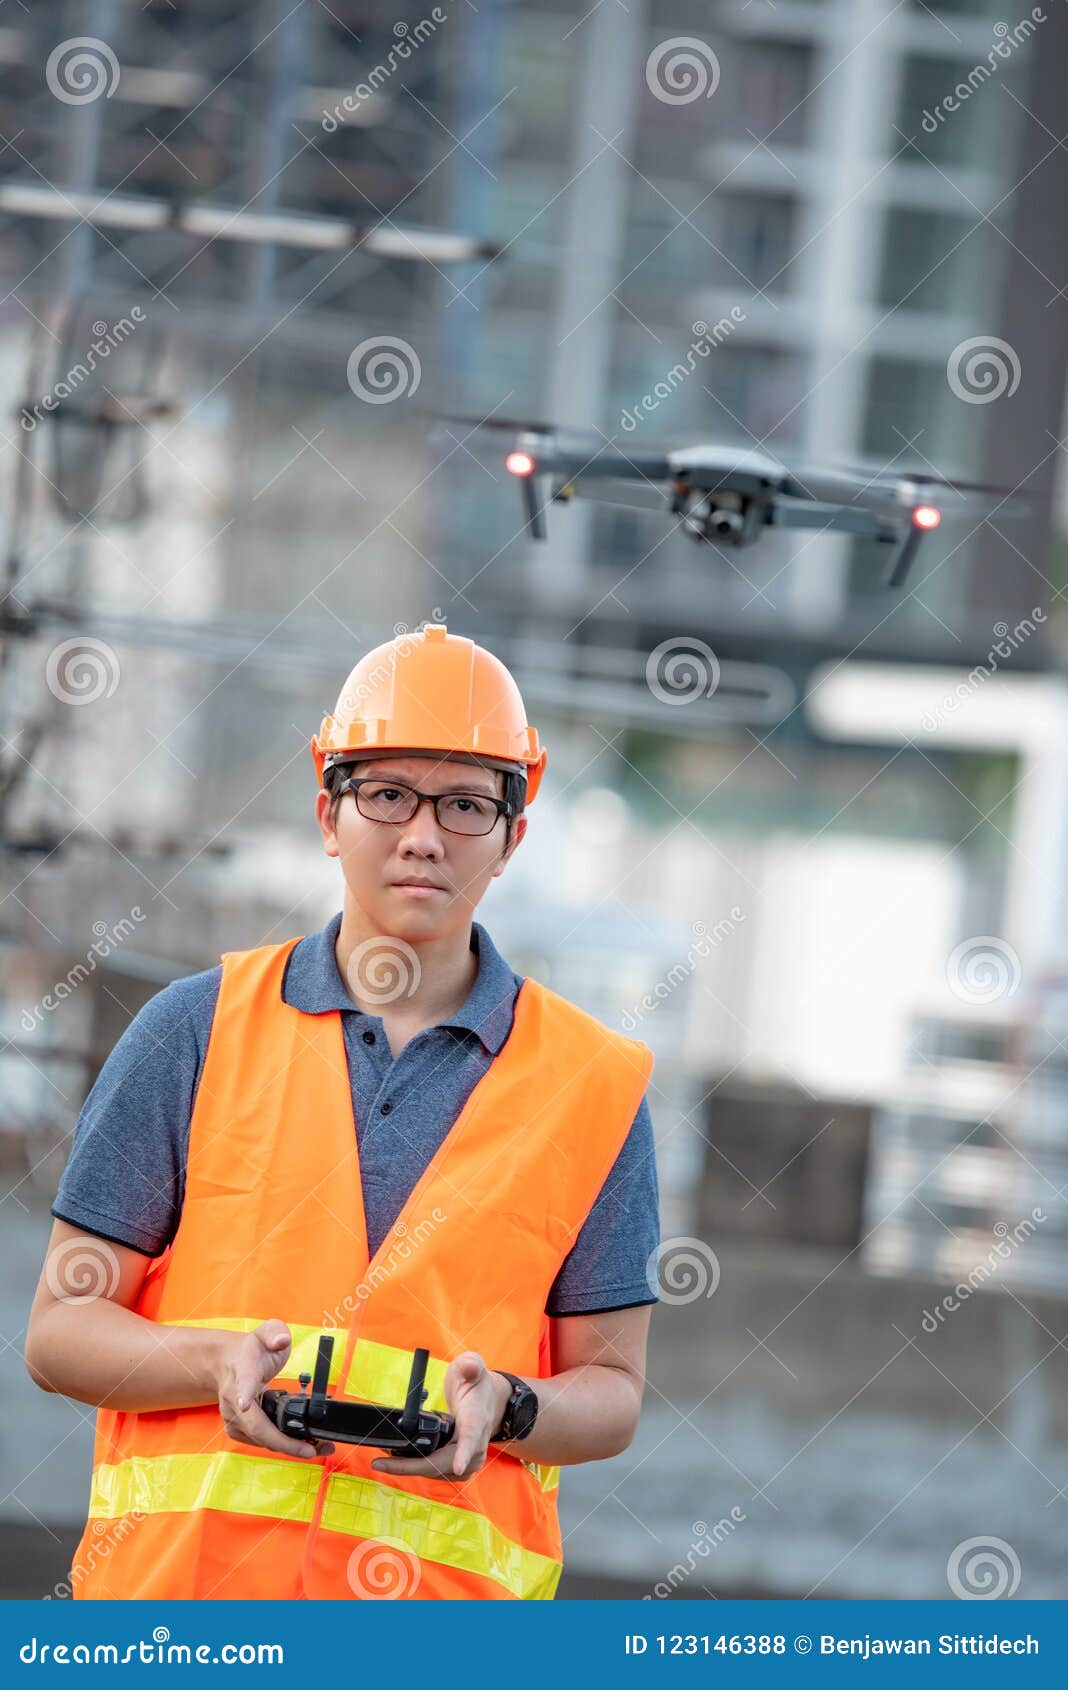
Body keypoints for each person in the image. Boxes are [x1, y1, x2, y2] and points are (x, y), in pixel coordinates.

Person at [25, 622, 659, 1600]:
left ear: (512, 837)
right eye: (387, 793)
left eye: (463, 804)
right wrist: (214, 1362)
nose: (422, 834)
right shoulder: (191, 1032)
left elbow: (612, 1394)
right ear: (330, 813)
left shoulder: (594, 1087)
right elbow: (61, 1330)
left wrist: (513, 1406)